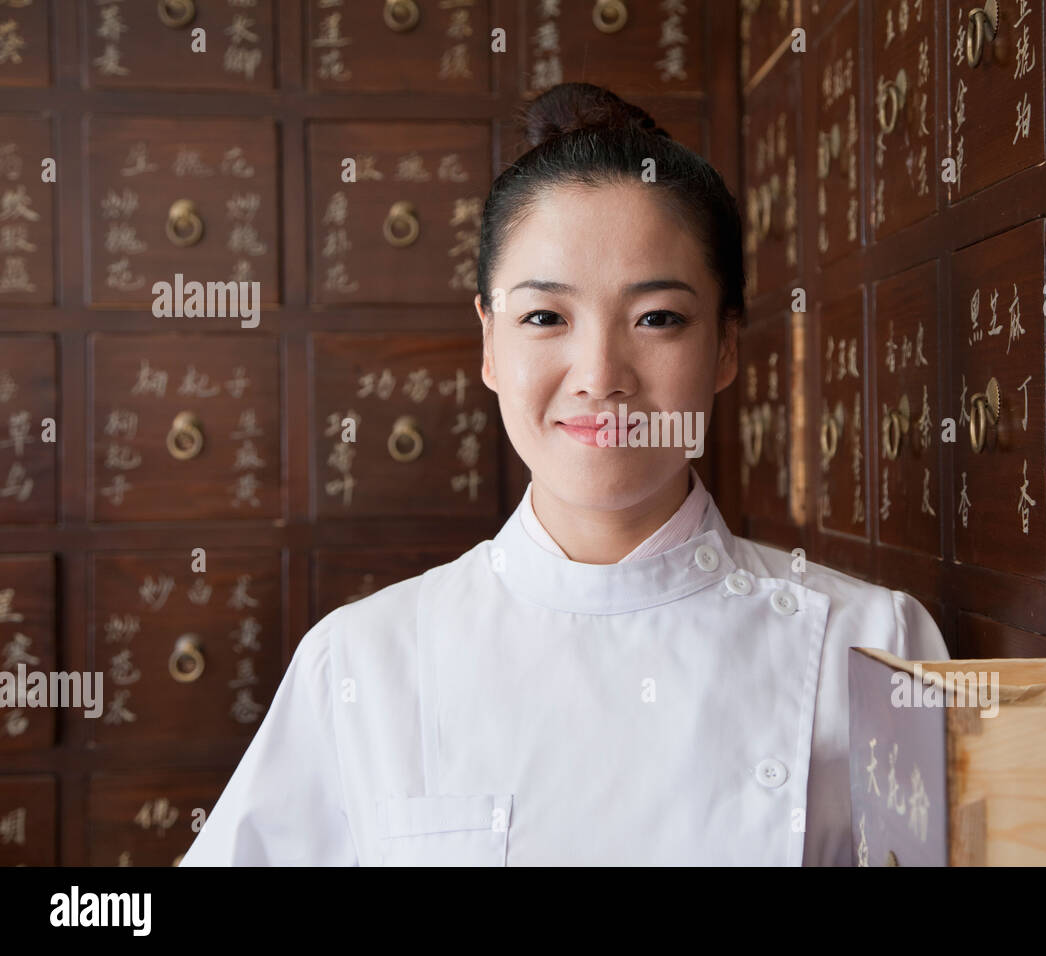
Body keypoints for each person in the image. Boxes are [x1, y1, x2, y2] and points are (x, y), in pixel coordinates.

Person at [181, 83, 948, 867]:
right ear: (489, 341)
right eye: (545, 317)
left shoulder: (873, 648)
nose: (600, 375)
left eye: (658, 318)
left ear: (724, 346)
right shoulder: (360, 666)